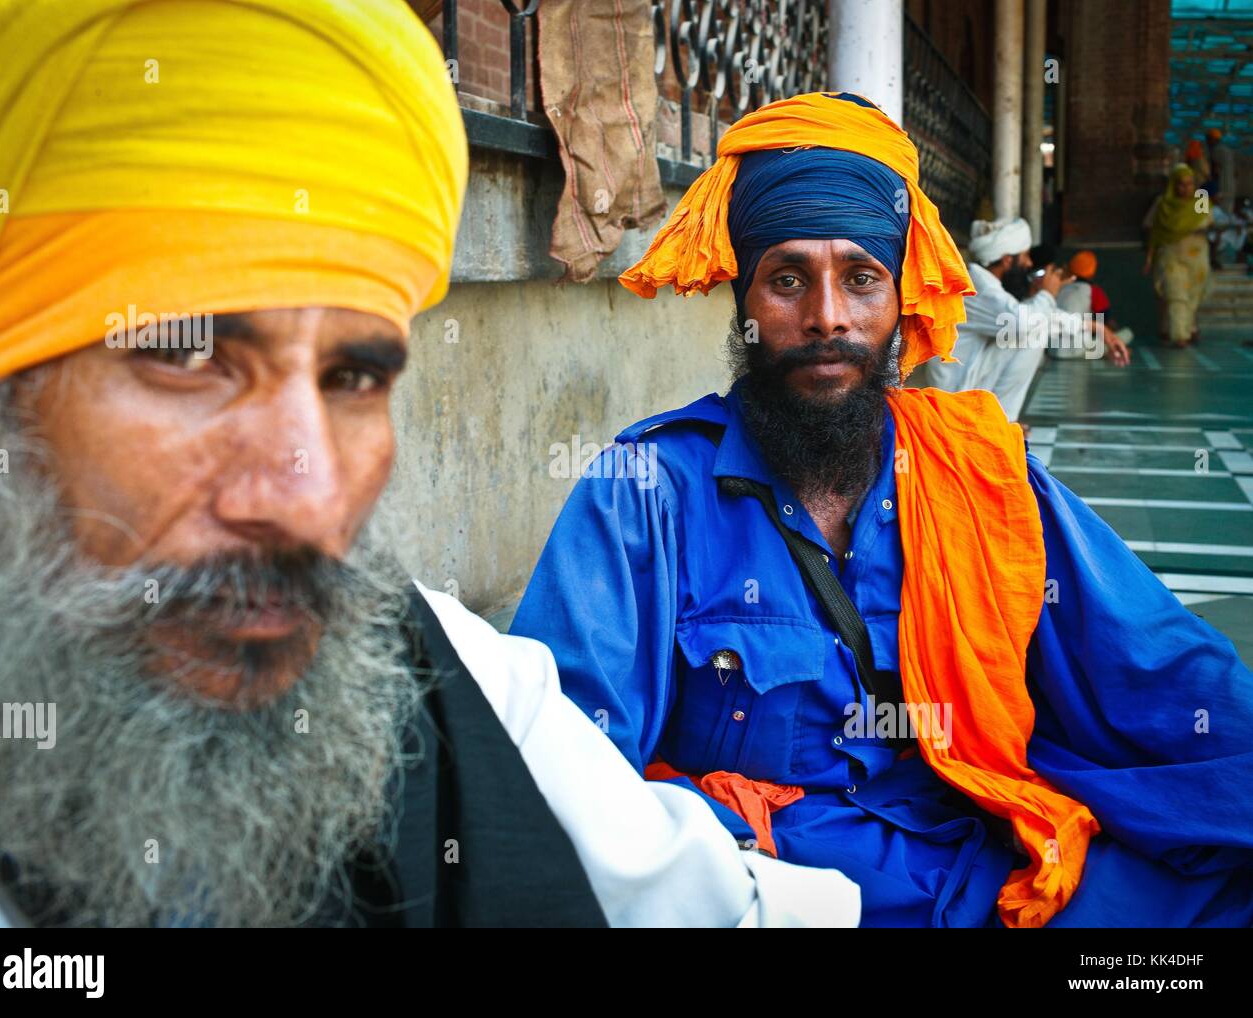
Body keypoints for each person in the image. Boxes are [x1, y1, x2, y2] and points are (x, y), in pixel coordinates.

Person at [0, 0, 859, 929]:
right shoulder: (651, 489)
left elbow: (725, 905)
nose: (307, 502)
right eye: (189, 361)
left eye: (351, 377)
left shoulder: (441, 672)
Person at [510, 91, 1253, 928]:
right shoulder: (644, 494)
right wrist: (729, 853)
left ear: (901, 299)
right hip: (789, 894)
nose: (827, 316)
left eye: (860, 279)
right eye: (787, 279)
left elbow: (1155, 662)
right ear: (744, 306)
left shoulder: (979, 473)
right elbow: (564, 758)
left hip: (989, 869)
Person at [919, 218, 1128, 422]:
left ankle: (999, 424)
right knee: (1030, 333)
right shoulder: (976, 286)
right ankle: (999, 426)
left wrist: (1098, 329)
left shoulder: (986, 282)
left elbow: (1038, 318)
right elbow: (1024, 323)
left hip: (964, 385)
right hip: (954, 395)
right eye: (1025, 256)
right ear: (1008, 259)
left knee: (1034, 326)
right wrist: (1046, 294)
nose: (1029, 263)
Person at [1144, 163, 1214, 348]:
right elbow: (1154, 231)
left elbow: (1207, 223)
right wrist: (1149, 257)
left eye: (1190, 183)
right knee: (1176, 294)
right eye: (1181, 184)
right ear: (1173, 185)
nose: (1186, 188)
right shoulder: (1163, 204)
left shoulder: (1200, 200)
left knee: (1193, 296)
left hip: (1197, 258)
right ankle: (1179, 335)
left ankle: (1188, 327)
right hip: (1171, 256)